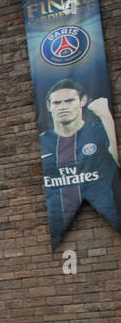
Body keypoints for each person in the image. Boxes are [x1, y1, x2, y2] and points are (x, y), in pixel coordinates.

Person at [39, 78, 121, 242]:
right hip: (56, 226)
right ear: (49, 106)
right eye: (57, 103)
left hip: (107, 217)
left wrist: (106, 117)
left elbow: (116, 158)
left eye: (69, 100)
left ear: (82, 100)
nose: (63, 107)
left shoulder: (99, 131)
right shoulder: (43, 141)